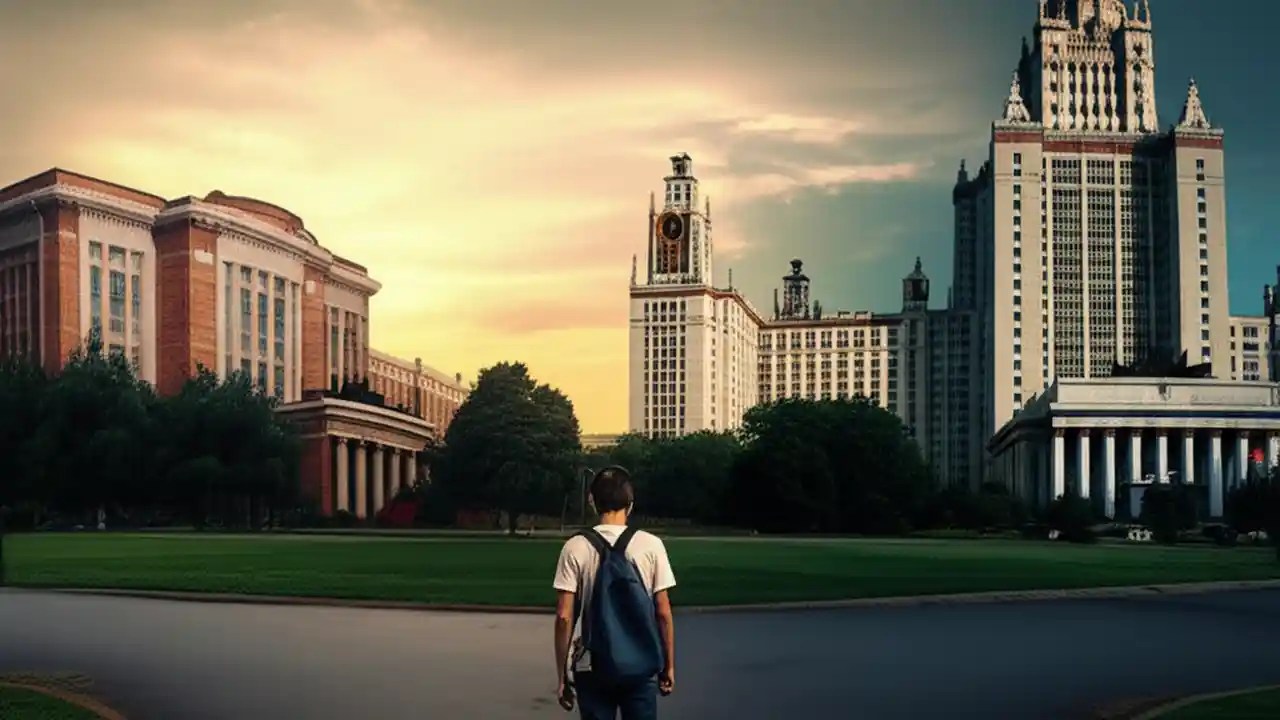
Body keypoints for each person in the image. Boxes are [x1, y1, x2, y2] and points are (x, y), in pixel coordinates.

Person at [553, 466, 676, 719]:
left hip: (592, 665)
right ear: (630, 503)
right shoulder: (651, 545)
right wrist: (668, 665)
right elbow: (663, 612)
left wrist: (562, 675)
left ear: (592, 502)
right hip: (640, 664)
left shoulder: (575, 546)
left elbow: (564, 616)